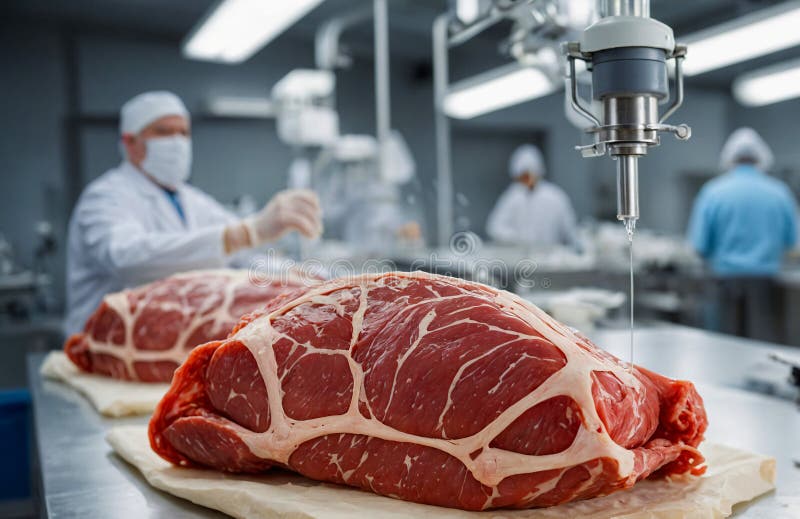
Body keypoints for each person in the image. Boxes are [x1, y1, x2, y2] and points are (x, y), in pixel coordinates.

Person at [64, 91, 322, 335]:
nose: (177, 142)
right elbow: (125, 258)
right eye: (164, 132)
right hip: (102, 341)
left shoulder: (193, 201)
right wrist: (245, 232)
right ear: (130, 143)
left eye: (183, 133)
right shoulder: (104, 197)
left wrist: (301, 276)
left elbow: (242, 259)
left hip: (162, 337)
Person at [687, 127, 797, 341]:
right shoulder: (779, 192)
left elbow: (699, 245)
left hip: (724, 283)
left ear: (729, 159)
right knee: (761, 347)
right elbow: (792, 241)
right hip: (766, 284)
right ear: (762, 159)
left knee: (724, 345)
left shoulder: (713, 192)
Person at [486, 144, 578, 248]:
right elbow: (494, 227)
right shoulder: (513, 196)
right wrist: (516, 238)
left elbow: (570, 232)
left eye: (526, 176)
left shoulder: (555, 196)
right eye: (520, 177)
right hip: (521, 256)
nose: (524, 181)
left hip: (550, 257)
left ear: (537, 171)